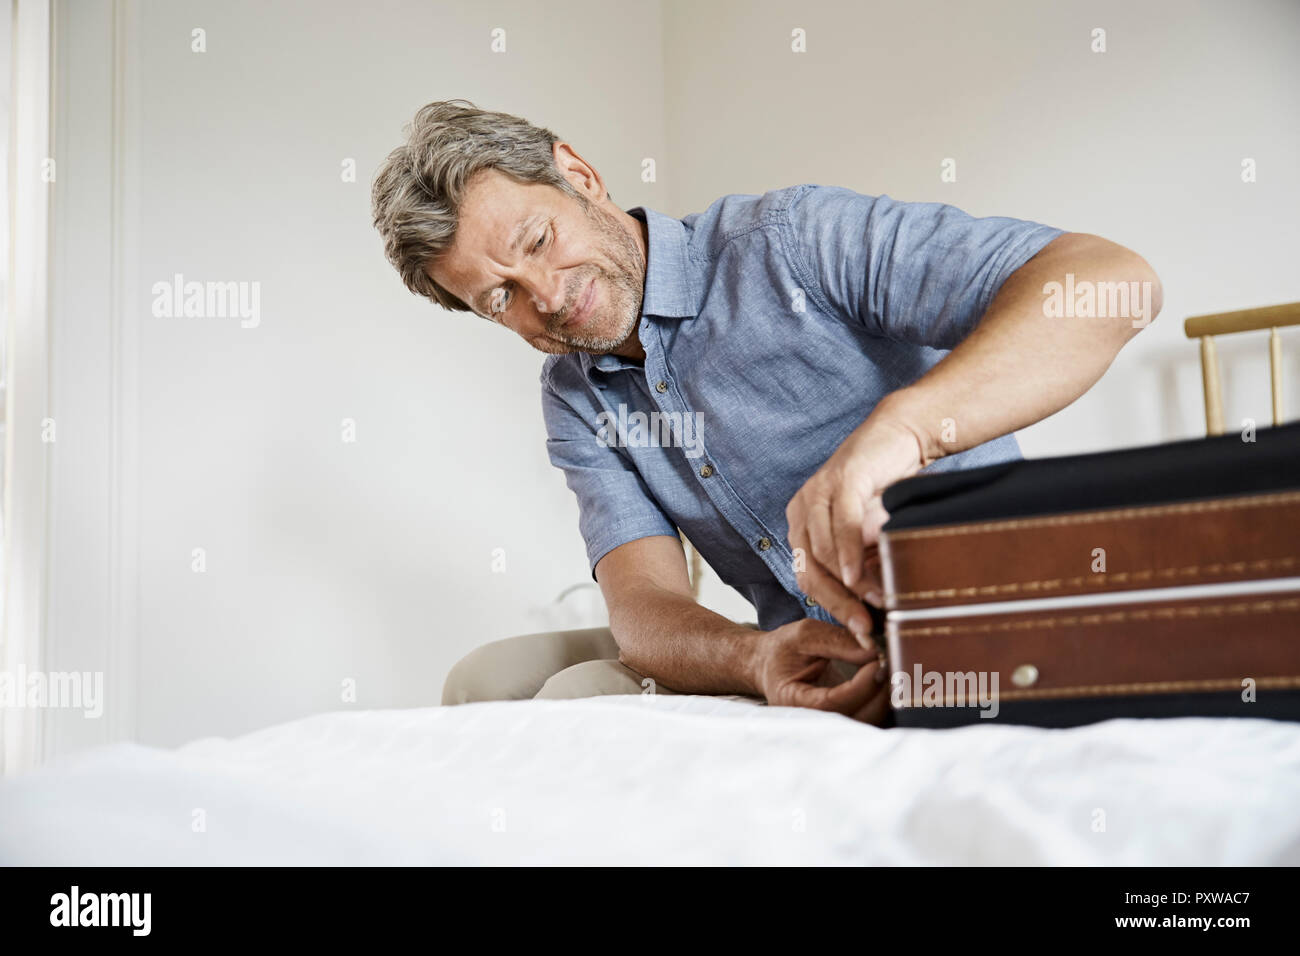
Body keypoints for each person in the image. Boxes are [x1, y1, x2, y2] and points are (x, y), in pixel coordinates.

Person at [370, 100, 1162, 725]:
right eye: (499, 296)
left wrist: (904, 431)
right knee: (489, 683)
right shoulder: (576, 395)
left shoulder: (789, 243)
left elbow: (1112, 281)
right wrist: (757, 659)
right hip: (812, 650)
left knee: (572, 701)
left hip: (975, 620)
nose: (546, 297)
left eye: (538, 240)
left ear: (579, 174)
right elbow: (648, 605)